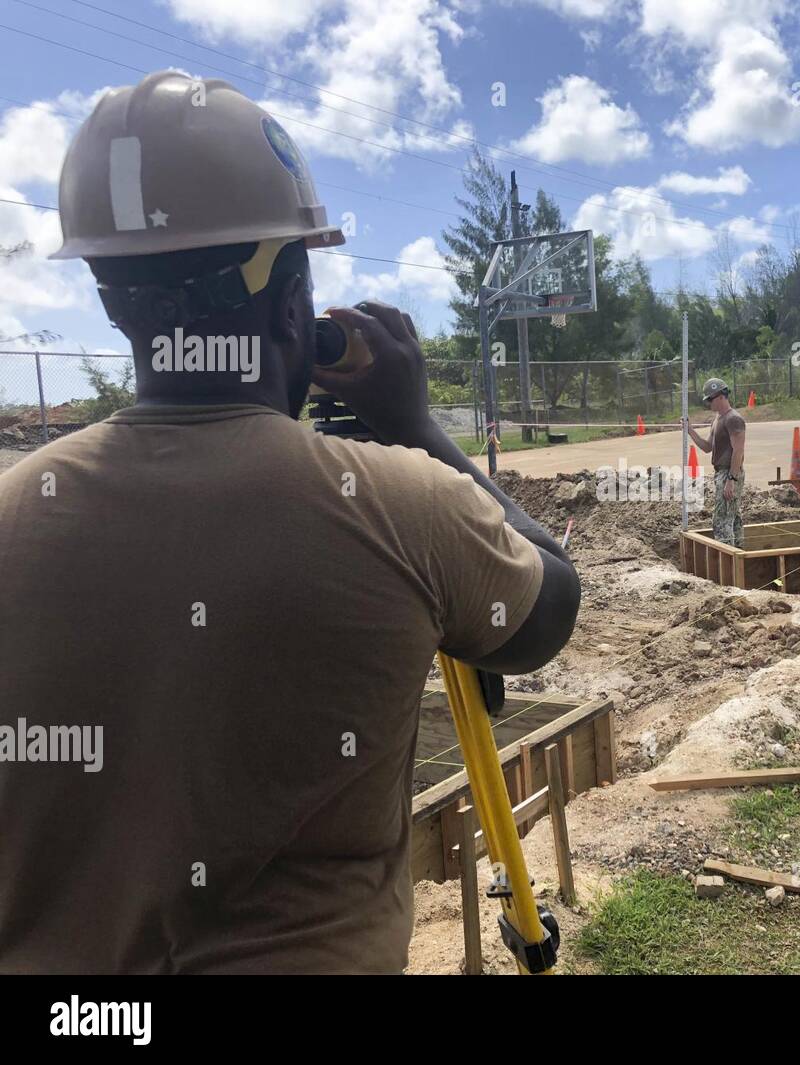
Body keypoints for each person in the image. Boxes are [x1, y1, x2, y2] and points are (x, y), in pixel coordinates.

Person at [0, 72, 580, 974]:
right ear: (292, 302)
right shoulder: (404, 504)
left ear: (113, 303)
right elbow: (549, 608)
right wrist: (416, 427)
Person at [683, 378, 746, 546]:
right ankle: (738, 555)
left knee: (722, 520)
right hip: (722, 472)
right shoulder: (718, 419)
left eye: (710, 399)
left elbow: (738, 451)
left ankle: (729, 560)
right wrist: (690, 431)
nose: (708, 403)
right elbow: (707, 447)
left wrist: (731, 480)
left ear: (720, 396)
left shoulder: (733, 419)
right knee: (733, 517)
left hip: (729, 472)